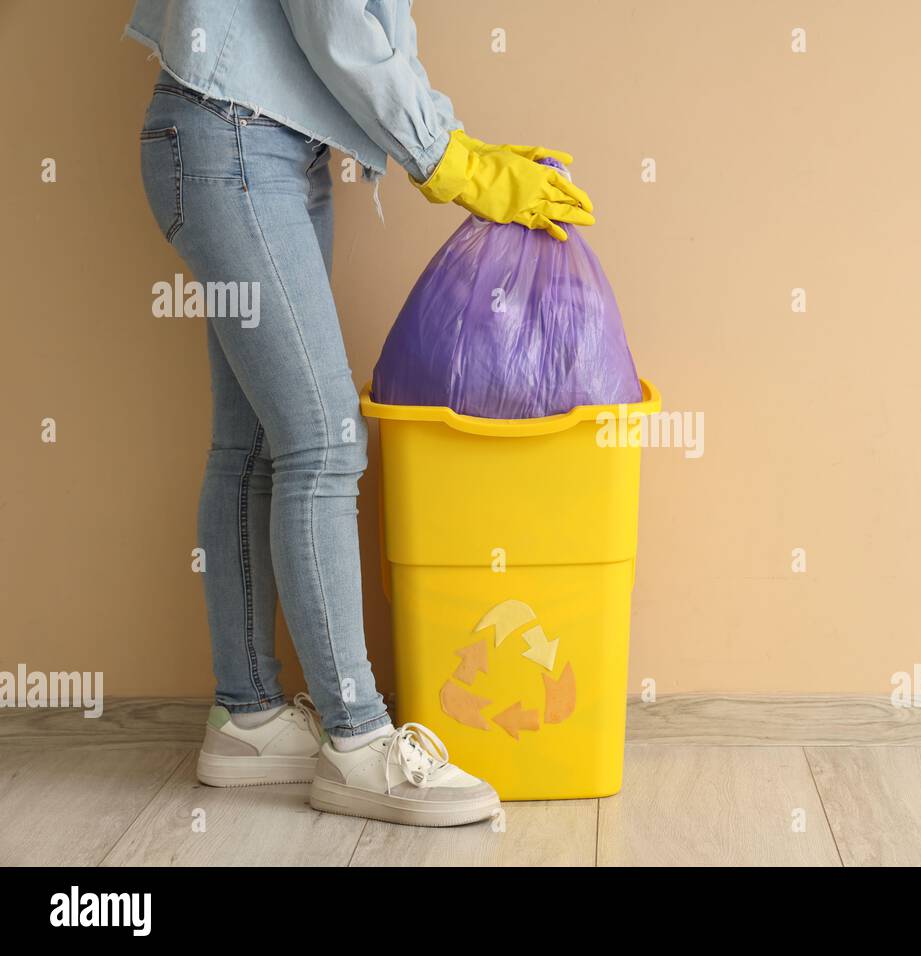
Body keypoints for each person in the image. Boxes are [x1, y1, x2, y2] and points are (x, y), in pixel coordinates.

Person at [126, 0, 594, 828]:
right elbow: (336, 24)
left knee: (256, 443)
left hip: (255, 137)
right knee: (322, 444)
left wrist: (452, 142)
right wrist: (445, 156)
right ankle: (357, 742)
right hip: (231, 137)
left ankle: (250, 720)